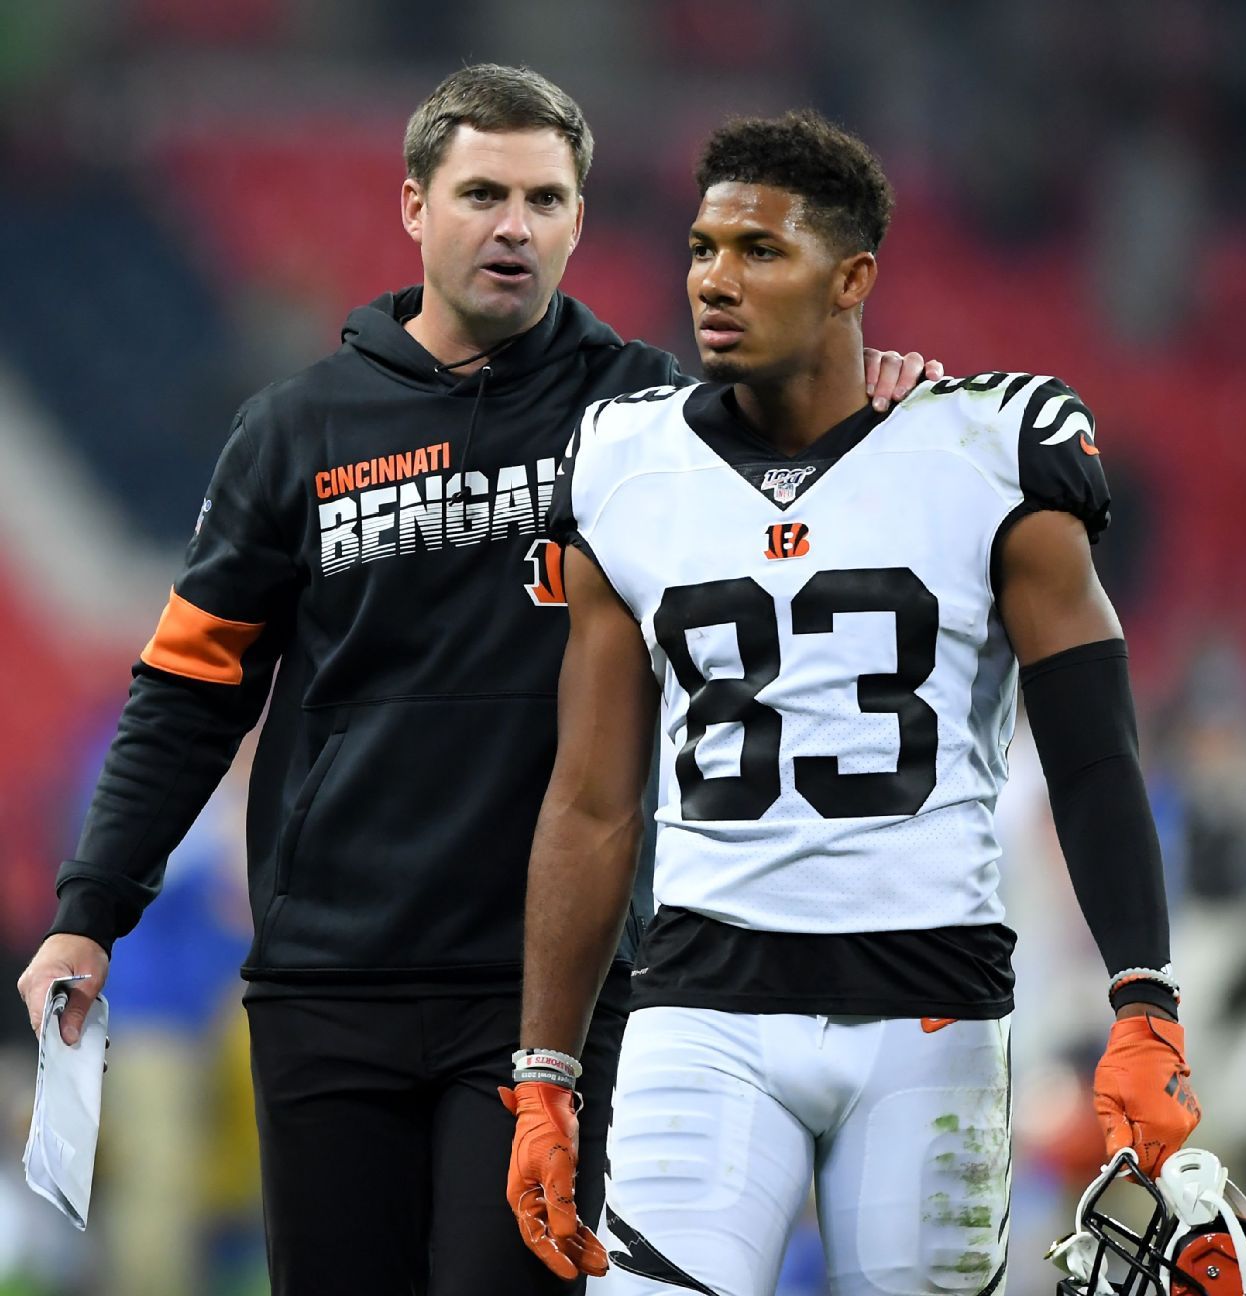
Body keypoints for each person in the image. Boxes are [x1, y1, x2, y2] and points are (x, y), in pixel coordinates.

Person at [14, 67, 935, 1295]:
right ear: (414, 207)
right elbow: (188, 689)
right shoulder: (295, 432)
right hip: (327, 986)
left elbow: (808, 502)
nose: (515, 226)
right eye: (484, 193)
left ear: (578, 221)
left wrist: (878, 400)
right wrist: (90, 908)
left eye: (546, 199)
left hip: (550, 1001)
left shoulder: (652, 413)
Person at [504, 109, 1201, 1296]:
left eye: (760, 251)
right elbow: (590, 801)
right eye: (702, 247)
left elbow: (1092, 756)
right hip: (702, 1008)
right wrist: (545, 1069)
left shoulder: (993, 448)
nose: (715, 280)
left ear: (852, 280)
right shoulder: (620, 464)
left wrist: (1145, 998)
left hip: (928, 1015)